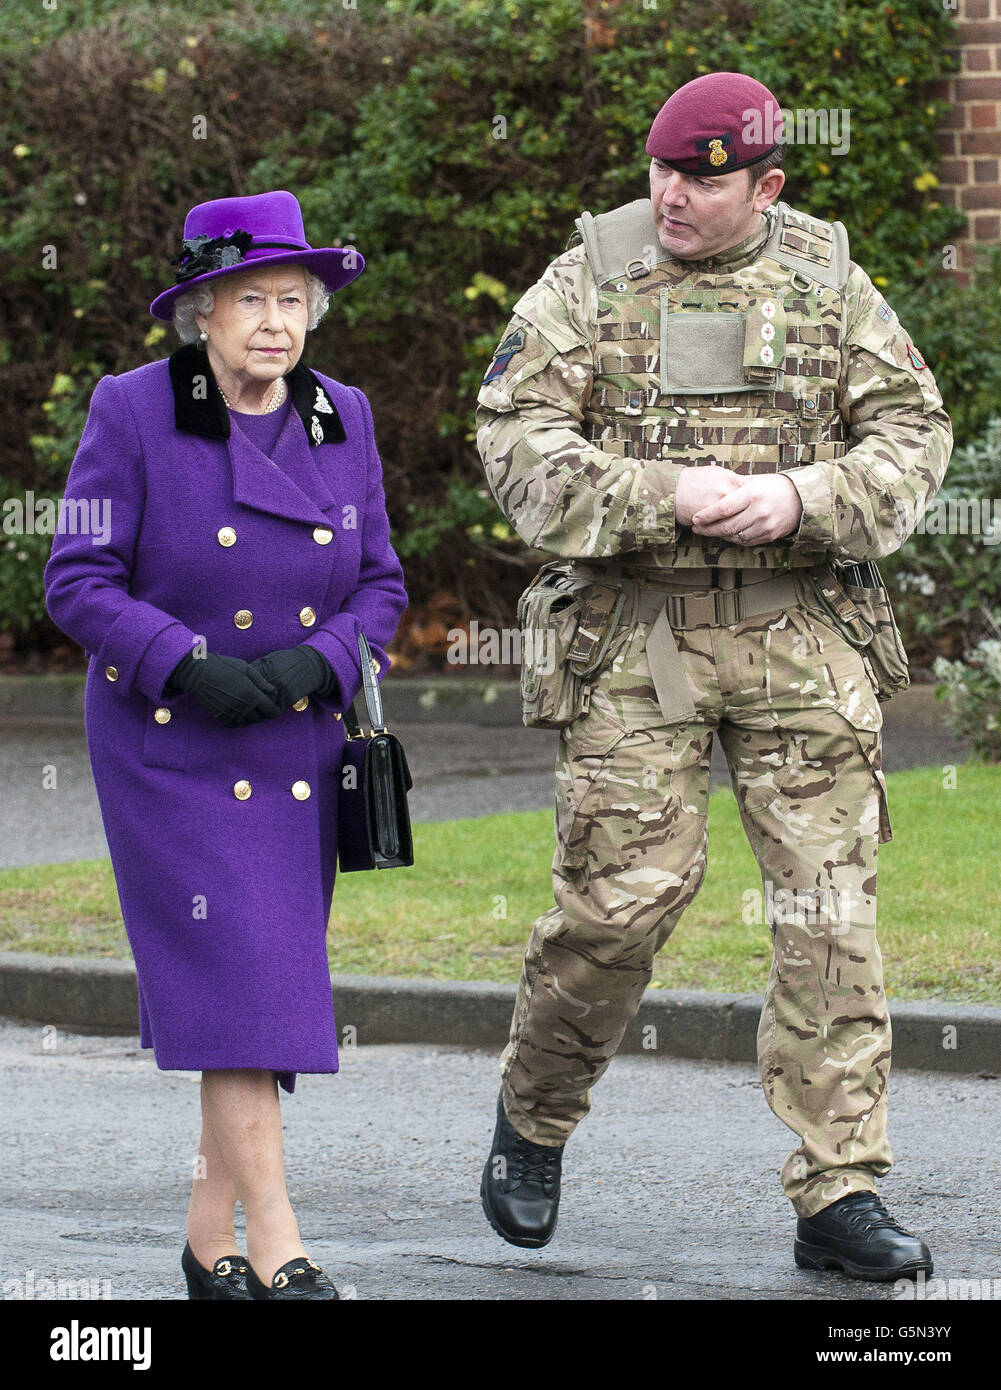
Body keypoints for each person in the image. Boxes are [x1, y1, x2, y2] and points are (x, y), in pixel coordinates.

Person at [475, 73, 951, 1282]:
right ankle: (533, 1118)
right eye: (661, 171)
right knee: (616, 909)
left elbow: (912, 434)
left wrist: (801, 496)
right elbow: (515, 445)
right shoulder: (588, 275)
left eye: (703, 178)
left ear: (767, 185)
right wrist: (661, 494)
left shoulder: (827, 279)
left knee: (824, 916)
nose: (672, 196)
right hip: (636, 639)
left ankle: (836, 1187)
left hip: (801, 640)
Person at [44, 190, 407, 1300]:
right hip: (172, 750)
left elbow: (383, 582)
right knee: (249, 986)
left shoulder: (340, 413)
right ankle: (280, 1242)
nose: (275, 322)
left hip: (291, 743)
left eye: (293, 300)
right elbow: (76, 579)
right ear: (201, 310)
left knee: (250, 998)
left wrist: (325, 662)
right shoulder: (135, 409)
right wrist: (183, 662)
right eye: (251, 299)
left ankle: (210, 1246)